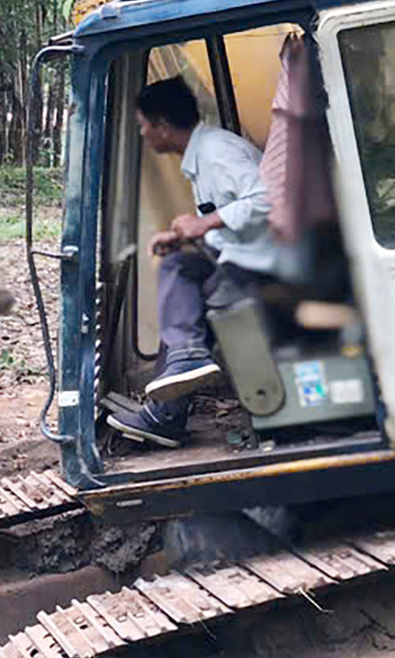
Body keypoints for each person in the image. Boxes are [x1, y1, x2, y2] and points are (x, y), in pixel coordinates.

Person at [110, 76, 273, 450]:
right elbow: (233, 217)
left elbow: (267, 200)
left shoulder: (217, 153)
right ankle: (170, 400)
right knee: (177, 274)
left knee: (185, 285)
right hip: (245, 256)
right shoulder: (204, 155)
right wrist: (188, 235)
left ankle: (168, 407)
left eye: (143, 126)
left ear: (164, 126)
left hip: (266, 264)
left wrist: (202, 224)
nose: (144, 134)